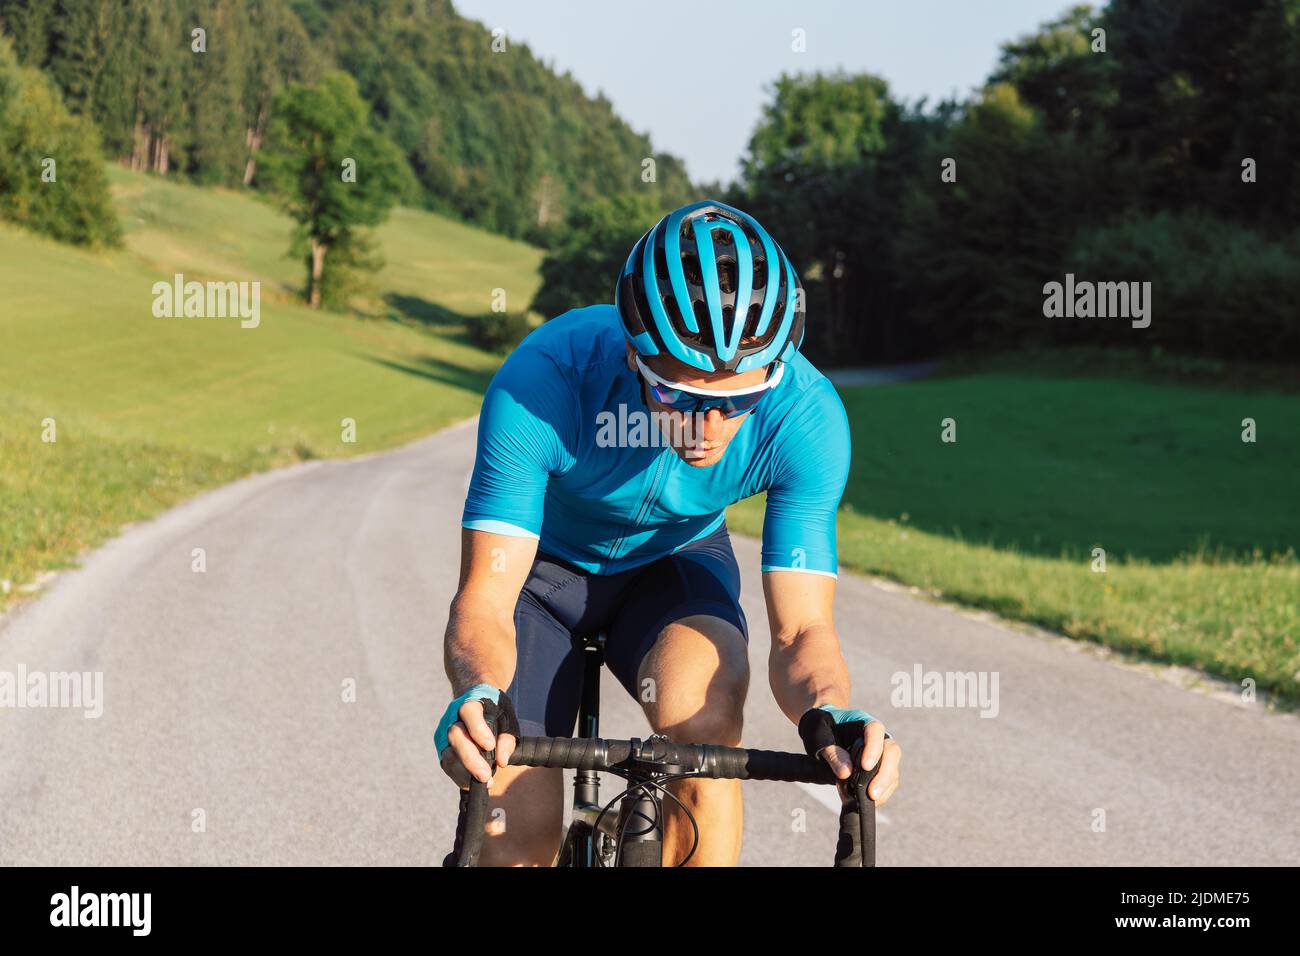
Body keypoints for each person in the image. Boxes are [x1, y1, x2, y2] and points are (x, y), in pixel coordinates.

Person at [436, 199, 901, 866]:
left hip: (674, 567)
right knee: (517, 836)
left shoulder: (806, 417)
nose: (707, 429)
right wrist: (479, 692)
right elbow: (484, 599)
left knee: (705, 727)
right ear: (634, 353)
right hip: (541, 579)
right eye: (678, 395)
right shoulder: (544, 381)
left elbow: (801, 630)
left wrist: (830, 711)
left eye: (738, 400)